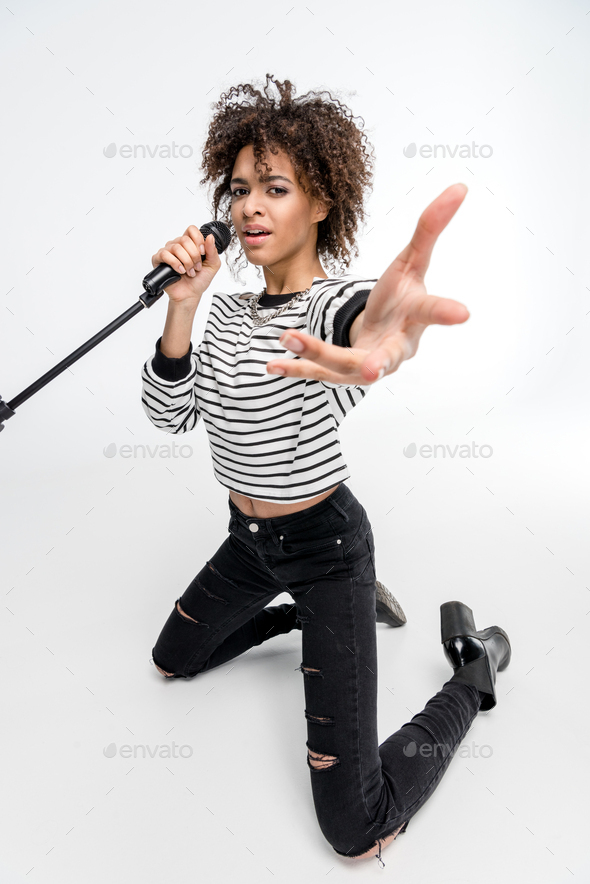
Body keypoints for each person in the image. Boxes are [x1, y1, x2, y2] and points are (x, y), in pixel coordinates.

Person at [140, 73, 511, 867]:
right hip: (248, 545)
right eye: (239, 190)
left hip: (326, 546)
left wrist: (380, 332)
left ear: (320, 204)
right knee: (173, 660)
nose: (249, 208)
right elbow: (168, 414)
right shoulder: (230, 313)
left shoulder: (327, 307)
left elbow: (361, 322)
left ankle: (472, 679)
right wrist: (182, 304)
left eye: (275, 188)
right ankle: (306, 618)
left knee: (354, 825)